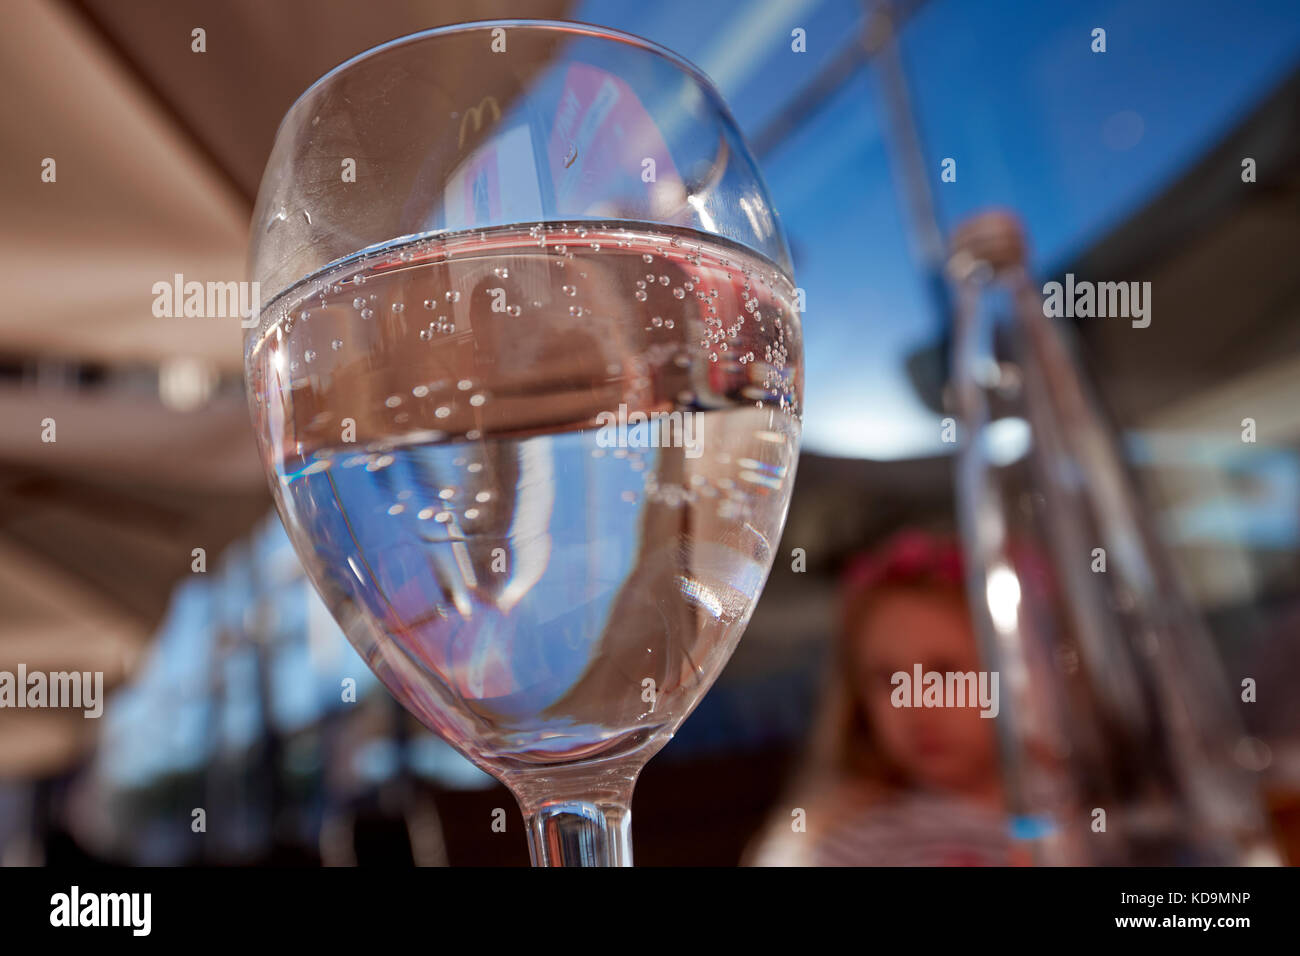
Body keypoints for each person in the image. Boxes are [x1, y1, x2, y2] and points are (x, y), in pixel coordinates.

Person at [747, 529, 1015, 866]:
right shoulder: (847, 847)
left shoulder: (1086, 820)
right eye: (888, 680)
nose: (915, 703)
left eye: (944, 674)